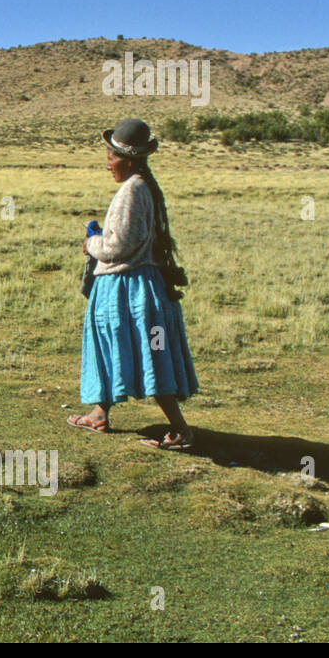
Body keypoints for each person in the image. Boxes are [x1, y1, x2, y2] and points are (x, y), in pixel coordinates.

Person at [68, 119, 198, 450]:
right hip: (137, 285)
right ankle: (99, 413)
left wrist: (91, 244)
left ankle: (180, 428)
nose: (107, 162)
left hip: (128, 287)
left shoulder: (132, 190)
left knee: (148, 353)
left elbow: (117, 248)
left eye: (111, 156)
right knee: (122, 348)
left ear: (127, 159)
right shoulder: (143, 186)